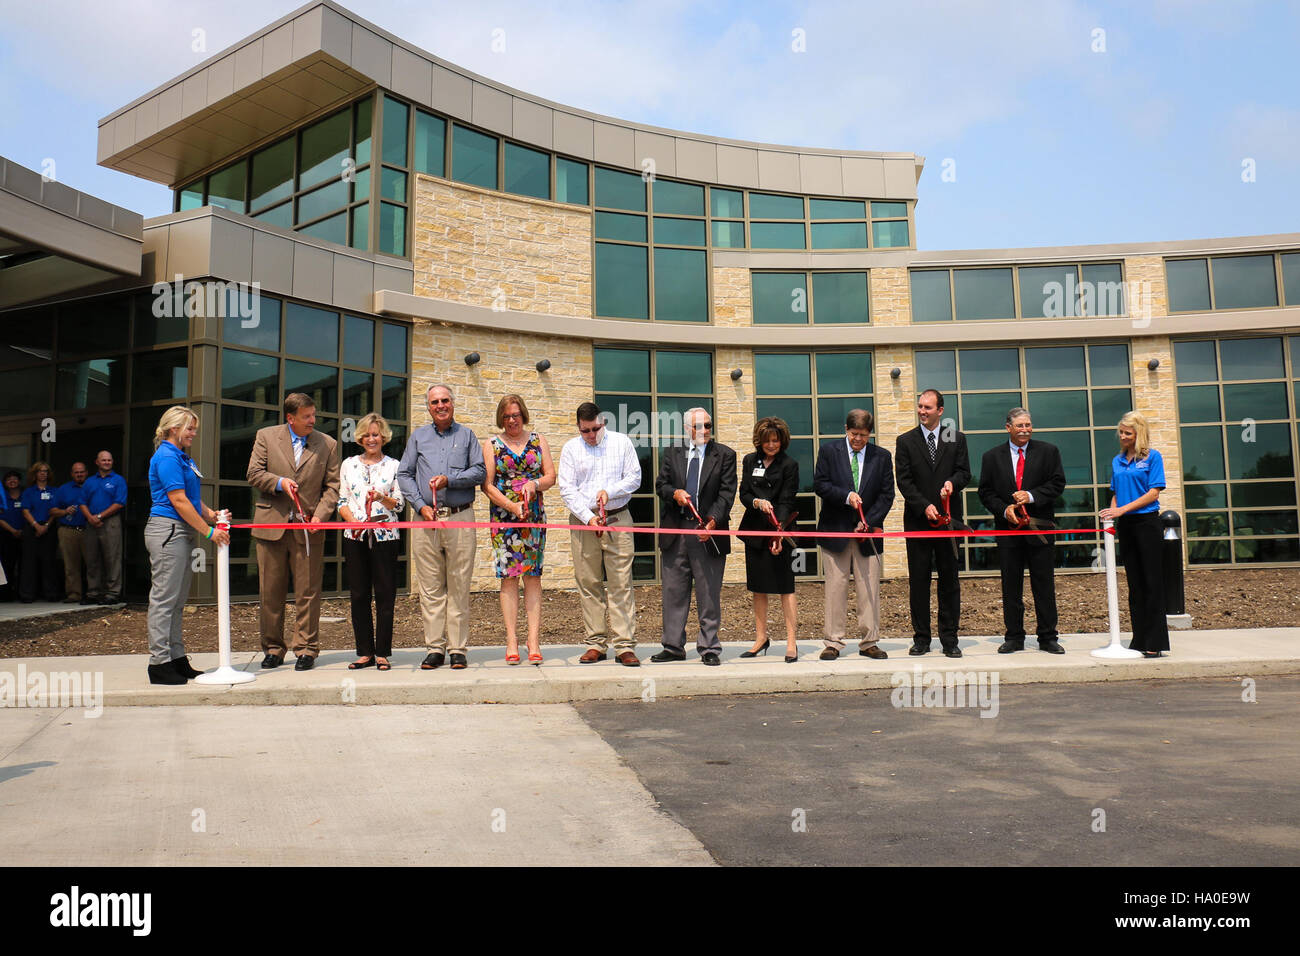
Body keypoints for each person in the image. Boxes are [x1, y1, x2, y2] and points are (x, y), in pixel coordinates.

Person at [247, 392, 341, 671]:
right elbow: (253, 473)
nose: (313, 420)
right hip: (271, 526)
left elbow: (333, 487)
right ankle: (273, 649)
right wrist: (279, 482)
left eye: (314, 415)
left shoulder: (328, 444)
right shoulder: (266, 436)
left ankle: (307, 649)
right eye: (307, 416)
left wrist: (321, 516)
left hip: (308, 530)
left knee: (308, 592)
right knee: (270, 592)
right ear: (290, 418)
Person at [398, 384, 485, 671]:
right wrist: (420, 505)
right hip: (426, 519)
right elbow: (404, 473)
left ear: (453, 403)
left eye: (445, 400)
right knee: (431, 587)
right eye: (434, 402)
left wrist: (450, 479)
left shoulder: (467, 435)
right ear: (429, 407)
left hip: (460, 516)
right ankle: (435, 648)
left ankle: (458, 649)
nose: (440, 405)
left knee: (459, 585)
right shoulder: (418, 437)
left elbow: (480, 471)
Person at [145, 406, 230, 685]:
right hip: (168, 531)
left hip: (179, 531)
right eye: (190, 428)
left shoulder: (180, 456)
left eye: (194, 428)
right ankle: (159, 664)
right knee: (164, 601)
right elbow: (178, 501)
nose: (194, 433)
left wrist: (212, 515)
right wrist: (209, 532)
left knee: (177, 601)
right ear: (174, 429)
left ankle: (176, 658)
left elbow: (192, 500)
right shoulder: (167, 457)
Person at [557, 401, 643, 667]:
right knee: (589, 583)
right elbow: (566, 489)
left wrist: (611, 490)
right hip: (585, 521)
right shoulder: (571, 448)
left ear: (603, 422)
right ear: (578, 427)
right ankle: (595, 643)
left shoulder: (621, 442)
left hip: (618, 516)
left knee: (620, 583)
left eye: (596, 429)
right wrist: (589, 516)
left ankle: (624, 646)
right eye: (586, 431)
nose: (592, 435)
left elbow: (635, 477)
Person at [978, 407, 1067, 654]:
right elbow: (985, 492)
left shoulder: (1049, 452)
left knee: (1044, 585)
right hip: (1008, 532)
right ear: (1008, 428)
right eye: (1020, 426)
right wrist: (1004, 509)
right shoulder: (991, 457)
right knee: (1011, 585)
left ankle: (1048, 637)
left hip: (1040, 529)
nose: (1025, 429)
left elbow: (1058, 483)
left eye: (1028, 425)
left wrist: (1030, 496)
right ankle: (1014, 637)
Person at [652, 407, 736, 666]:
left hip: (708, 532)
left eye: (708, 425)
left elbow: (727, 493)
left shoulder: (725, 455)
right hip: (676, 531)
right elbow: (660, 485)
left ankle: (709, 647)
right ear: (687, 429)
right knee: (673, 591)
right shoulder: (672, 453)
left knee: (709, 592)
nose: (705, 431)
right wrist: (675, 493)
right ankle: (673, 645)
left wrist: (712, 521)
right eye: (699, 426)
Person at [814, 409, 895, 662]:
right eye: (853, 434)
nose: (858, 439)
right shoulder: (829, 451)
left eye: (863, 435)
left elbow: (887, 494)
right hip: (835, 530)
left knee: (869, 589)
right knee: (835, 589)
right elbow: (820, 484)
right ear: (845, 430)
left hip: (867, 535)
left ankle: (869, 641)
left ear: (870, 433)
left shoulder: (882, 456)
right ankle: (833, 642)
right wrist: (846, 496)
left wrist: (868, 522)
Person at [896, 389, 971, 658]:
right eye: (920, 407)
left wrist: (953, 483)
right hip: (918, 522)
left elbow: (965, 472)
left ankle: (950, 639)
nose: (922, 411)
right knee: (919, 582)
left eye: (928, 407)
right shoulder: (905, 441)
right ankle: (922, 639)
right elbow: (904, 481)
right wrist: (923, 505)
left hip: (948, 522)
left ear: (940, 411)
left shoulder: (956, 439)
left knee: (949, 581)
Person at [482, 394, 555, 666]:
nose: (511, 420)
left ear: (523, 414)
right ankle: (511, 640)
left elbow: (550, 476)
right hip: (504, 518)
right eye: (506, 416)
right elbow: (487, 485)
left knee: (533, 576)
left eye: (515, 415)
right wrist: (511, 507)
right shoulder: (491, 444)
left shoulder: (538, 440)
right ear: (501, 419)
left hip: (534, 517)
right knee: (509, 578)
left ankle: (533, 641)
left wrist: (534, 485)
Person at [1100, 411, 1170, 658]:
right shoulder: (1117, 460)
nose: (1122, 437)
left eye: (1127, 433)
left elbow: (1153, 493)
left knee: (1152, 582)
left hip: (1148, 523)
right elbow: (1117, 492)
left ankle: (1155, 642)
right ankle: (1139, 639)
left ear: (1138, 434)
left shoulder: (1152, 457)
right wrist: (1111, 511)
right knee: (1135, 584)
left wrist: (1121, 510)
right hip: (1126, 526)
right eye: (1120, 432)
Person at [338, 413, 403, 672]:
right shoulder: (348, 464)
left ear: (383, 437)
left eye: (376, 434)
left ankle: (383, 653)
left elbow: (399, 504)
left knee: (385, 594)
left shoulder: (394, 465)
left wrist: (382, 498)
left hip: (385, 536)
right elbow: (341, 500)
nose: (371, 438)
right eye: (367, 434)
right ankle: (364, 652)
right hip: (355, 536)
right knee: (359, 594)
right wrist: (353, 521)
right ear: (360, 438)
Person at [738, 417, 800, 662]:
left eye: (775, 440)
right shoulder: (749, 461)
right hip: (755, 531)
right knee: (758, 587)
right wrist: (755, 502)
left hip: (781, 528)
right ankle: (761, 637)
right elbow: (744, 493)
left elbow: (787, 499)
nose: (772, 445)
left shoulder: (789, 465)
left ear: (782, 440)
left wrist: (779, 532)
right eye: (767, 441)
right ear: (759, 441)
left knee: (786, 587)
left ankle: (791, 641)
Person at [80, 450, 127, 605]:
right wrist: (90, 518)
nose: (107, 462)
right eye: (104, 460)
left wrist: (99, 516)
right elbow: (82, 502)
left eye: (109, 460)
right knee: (92, 558)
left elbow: (119, 502)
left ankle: (112, 593)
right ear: (97, 462)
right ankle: (93, 592)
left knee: (112, 558)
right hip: (91, 522)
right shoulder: (89, 482)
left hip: (111, 522)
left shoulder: (118, 480)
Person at [19, 462, 60, 603]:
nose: (43, 473)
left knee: (48, 561)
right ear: (35, 474)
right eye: (40, 471)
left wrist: (46, 525)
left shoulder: (54, 491)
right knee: (29, 562)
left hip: (49, 527)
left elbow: (55, 511)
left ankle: (50, 593)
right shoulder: (29, 492)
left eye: (46, 471)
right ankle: (27, 594)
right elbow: (25, 510)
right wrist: (36, 526)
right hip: (32, 528)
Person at [51, 462, 89, 604]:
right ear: (72, 474)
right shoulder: (63, 489)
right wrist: (65, 511)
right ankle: (74, 594)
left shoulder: (91, 486)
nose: (79, 474)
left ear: (86, 472)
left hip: (88, 530)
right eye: (76, 472)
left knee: (92, 564)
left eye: (82, 472)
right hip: (68, 530)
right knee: (71, 565)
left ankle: (94, 593)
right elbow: (52, 510)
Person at [0, 470, 23, 601]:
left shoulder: (25, 496)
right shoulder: (2, 497)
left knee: (24, 566)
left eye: (15, 478)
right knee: (7, 566)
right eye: (9, 479)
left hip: (25, 536)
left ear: (19, 481)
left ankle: (22, 593)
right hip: (6, 535)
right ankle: (5, 595)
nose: (12, 481)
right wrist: (12, 530)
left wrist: (21, 531)